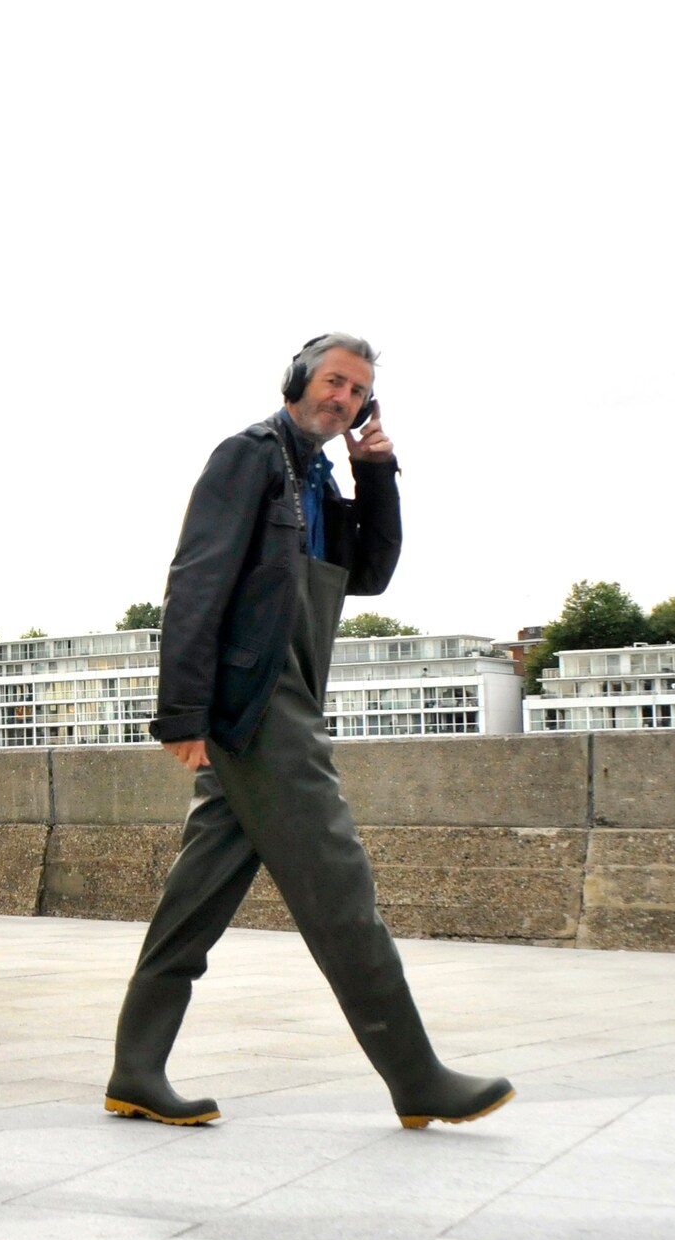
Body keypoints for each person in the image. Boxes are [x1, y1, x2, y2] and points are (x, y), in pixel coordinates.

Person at [105, 334, 514, 1129]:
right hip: (263, 705)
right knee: (340, 887)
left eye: (358, 390)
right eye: (333, 380)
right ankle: (416, 1076)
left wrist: (377, 473)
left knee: (196, 898)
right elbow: (195, 581)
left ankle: (136, 1068)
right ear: (297, 380)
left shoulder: (319, 477)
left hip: (284, 697)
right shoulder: (249, 456)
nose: (344, 398)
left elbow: (371, 572)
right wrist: (182, 713)